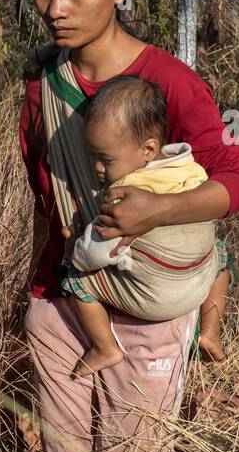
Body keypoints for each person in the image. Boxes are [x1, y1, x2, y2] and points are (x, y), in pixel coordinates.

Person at [19, 0, 239, 452]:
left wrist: (154, 211)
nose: (55, 8)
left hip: (149, 315)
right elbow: (47, 198)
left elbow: (238, 180)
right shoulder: (42, 87)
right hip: (63, 305)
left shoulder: (169, 82)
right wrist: (47, 291)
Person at [59, 74, 222, 378]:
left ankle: (104, 346)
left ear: (147, 149)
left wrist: (72, 246)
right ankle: (210, 330)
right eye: (93, 156)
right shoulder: (189, 166)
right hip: (198, 285)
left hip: (158, 301)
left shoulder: (126, 195)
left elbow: (93, 255)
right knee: (222, 255)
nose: (96, 168)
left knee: (74, 278)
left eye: (104, 159)